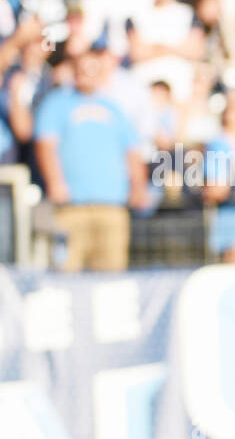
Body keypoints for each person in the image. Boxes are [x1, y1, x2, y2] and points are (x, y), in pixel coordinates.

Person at [33, 47, 149, 271]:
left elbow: (132, 151)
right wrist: (55, 183)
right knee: (66, 271)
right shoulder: (56, 103)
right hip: (71, 206)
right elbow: (46, 145)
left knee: (111, 274)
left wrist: (138, 187)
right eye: (82, 68)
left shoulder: (114, 108)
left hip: (112, 205)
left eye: (92, 68)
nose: (86, 73)